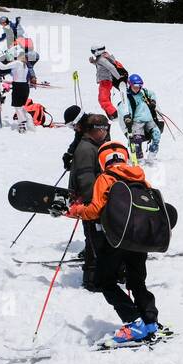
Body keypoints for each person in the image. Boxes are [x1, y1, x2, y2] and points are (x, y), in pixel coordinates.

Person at [59, 140, 161, 344]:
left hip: (114, 239)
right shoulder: (140, 178)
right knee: (137, 281)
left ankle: (134, 322)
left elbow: (94, 210)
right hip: (138, 239)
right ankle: (150, 321)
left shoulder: (105, 178)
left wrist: (75, 211)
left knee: (104, 281)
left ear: (102, 160)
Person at [66, 112, 109, 292]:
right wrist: (93, 202)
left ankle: (105, 275)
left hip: (98, 202)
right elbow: (86, 179)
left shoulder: (96, 145)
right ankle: (92, 280)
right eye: (102, 129)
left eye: (106, 128)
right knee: (94, 241)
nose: (105, 131)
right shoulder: (86, 149)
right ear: (93, 130)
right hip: (90, 203)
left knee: (100, 239)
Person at [120, 73, 163, 159]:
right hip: (137, 122)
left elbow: (152, 93)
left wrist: (153, 101)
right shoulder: (128, 97)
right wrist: (127, 117)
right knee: (137, 139)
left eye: (139, 86)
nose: (137, 88)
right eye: (134, 86)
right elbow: (124, 108)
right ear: (130, 85)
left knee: (157, 134)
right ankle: (139, 158)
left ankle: (152, 155)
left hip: (149, 120)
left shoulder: (143, 92)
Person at [87, 44, 128, 118]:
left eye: (93, 52)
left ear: (97, 51)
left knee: (103, 100)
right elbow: (101, 66)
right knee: (102, 99)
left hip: (106, 81)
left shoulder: (102, 59)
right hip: (103, 81)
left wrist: (118, 77)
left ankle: (115, 114)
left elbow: (111, 68)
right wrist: (93, 62)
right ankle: (112, 113)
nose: (92, 53)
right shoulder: (100, 58)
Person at [3, 45, 33, 131]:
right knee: (21, 106)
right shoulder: (25, 64)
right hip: (25, 87)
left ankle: (22, 123)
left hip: (18, 87)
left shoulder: (17, 63)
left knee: (17, 106)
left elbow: (3, 67)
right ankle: (29, 120)